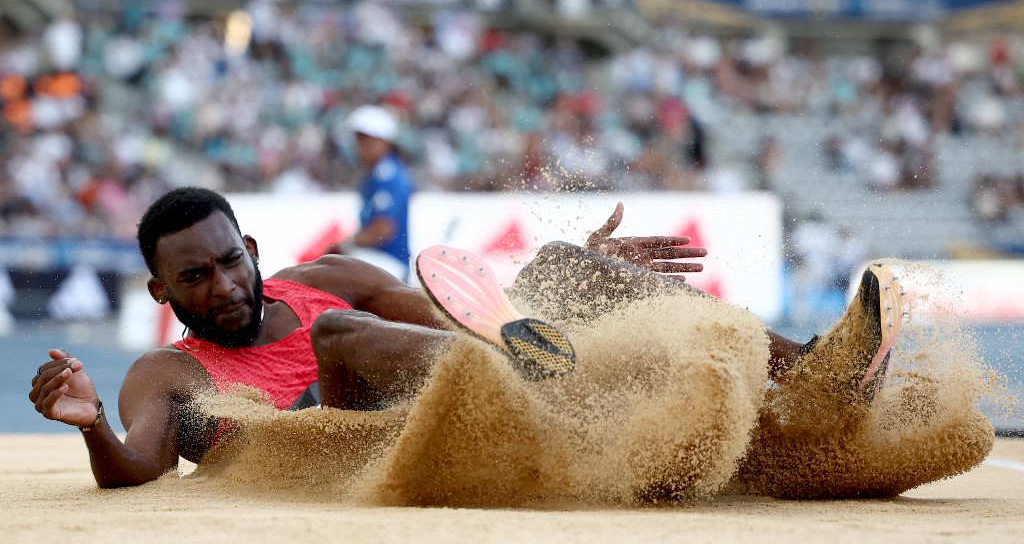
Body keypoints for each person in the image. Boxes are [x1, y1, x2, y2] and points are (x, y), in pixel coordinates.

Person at [29, 186, 899, 490]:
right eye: (194, 279)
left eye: (228, 263)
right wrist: (93, 427)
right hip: (334, 446)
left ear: (250, 251)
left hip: (454, 390)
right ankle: (557, 383)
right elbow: (139, 468)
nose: (221, 288)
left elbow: (455, 310)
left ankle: (815, 378)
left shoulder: (324, 276)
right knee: (340, 336)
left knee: (565, 264)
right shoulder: (166, 369)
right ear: (160, 290)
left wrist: (576, 286)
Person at [327, 105, 415, 281]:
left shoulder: (387, 174)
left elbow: (384, 228)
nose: (359, 146)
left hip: (389, 262)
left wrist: (347, 244)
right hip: (378, 259)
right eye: (358, 140)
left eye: (365, 140)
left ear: (384, 141)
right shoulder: (375, 173)